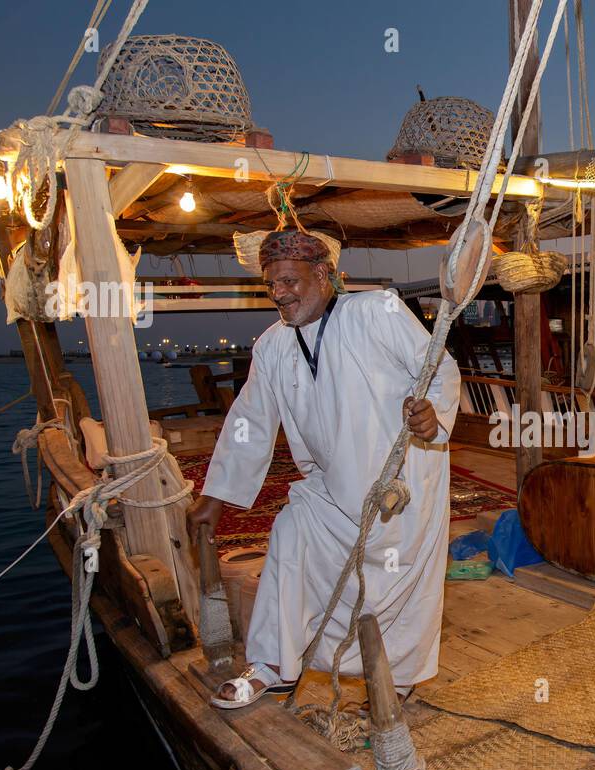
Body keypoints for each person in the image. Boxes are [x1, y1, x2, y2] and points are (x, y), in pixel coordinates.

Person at [185, 230, 460, 708]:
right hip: (328, 488)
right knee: (290, 535)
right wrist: (217, 494)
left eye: (290, 281)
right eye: (271, 285)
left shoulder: (378, 310)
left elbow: (437, 365)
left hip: (400, 485)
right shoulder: (272, 346)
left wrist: (433, 416)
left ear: (322, 276)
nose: (280, 293)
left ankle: (395, 677)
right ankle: (273, 663)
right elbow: (250, 420)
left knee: (394, 587)